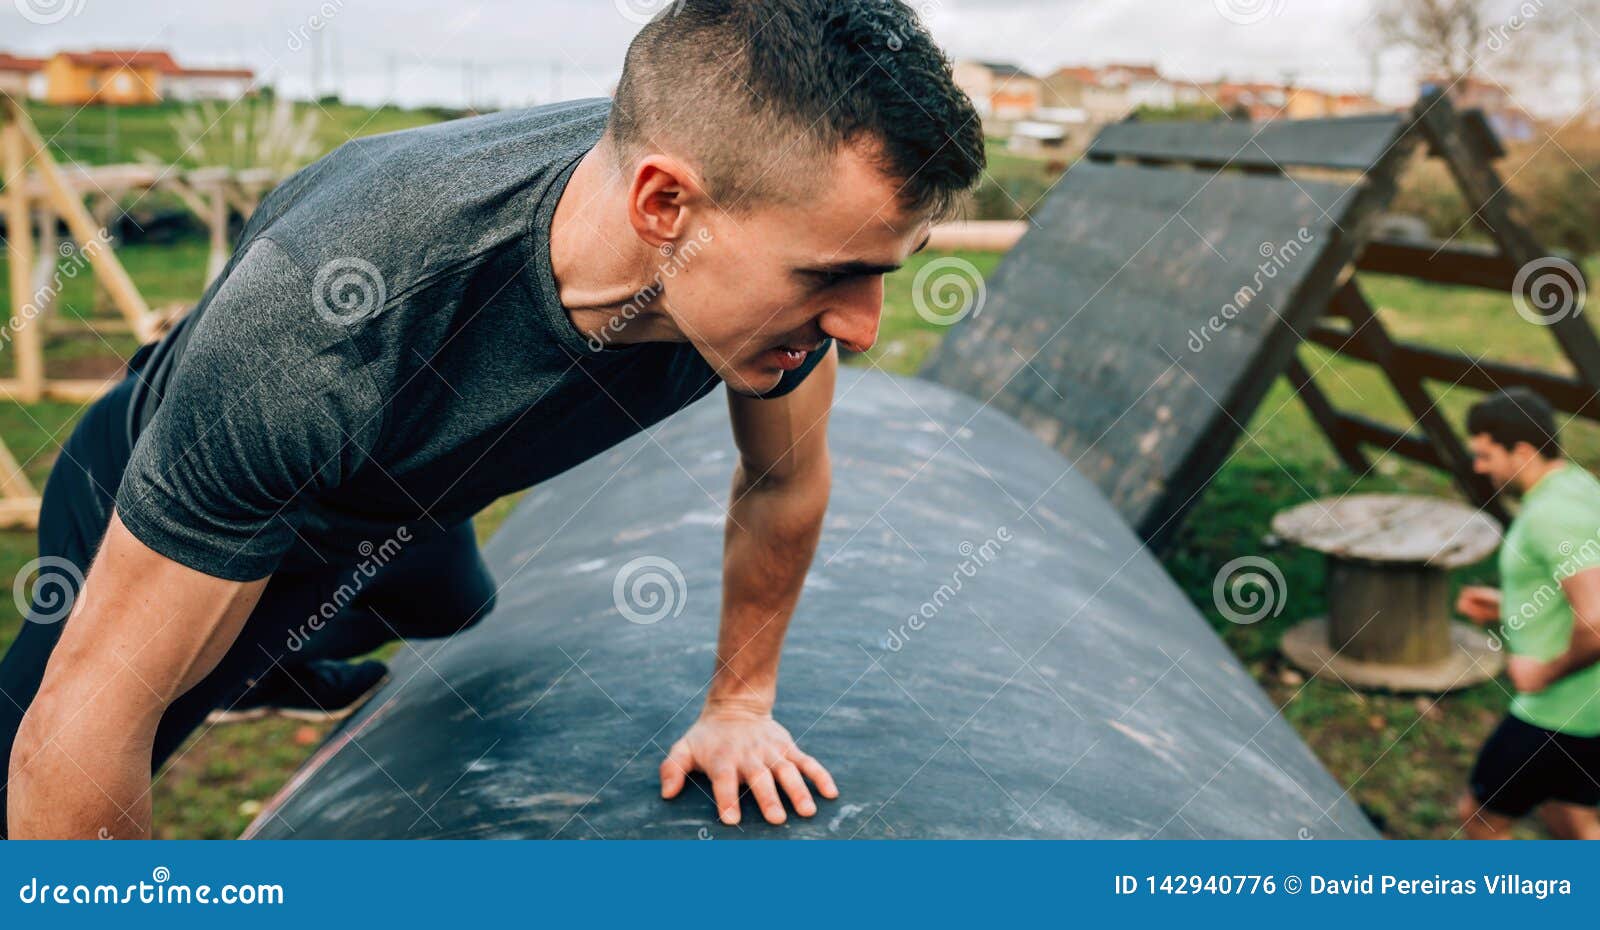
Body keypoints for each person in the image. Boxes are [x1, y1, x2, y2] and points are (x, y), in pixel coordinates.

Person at [0, 0, 985, 838]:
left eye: (882, 271)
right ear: (664, 206)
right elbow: (70, 760)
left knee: (447, 601)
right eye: (828, 277)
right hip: (170, 481)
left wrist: (739, 705)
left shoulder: (750, 211)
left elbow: (783, 482)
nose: (861, 330)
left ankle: (281, 652)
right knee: (91, 736)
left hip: (390, 504)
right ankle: (252, 656)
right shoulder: (325, 318)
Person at [1456, 387, 1600, 839]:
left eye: (1486, 456)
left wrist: (1546, 674)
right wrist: (1510, 607)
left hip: (1555, 714)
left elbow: (1597, 619)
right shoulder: (1576, 485)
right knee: (1570, 816)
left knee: (1478, 820)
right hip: (1589, 711)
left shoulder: (1551, 515)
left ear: (1522, 451)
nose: (1479, 468)